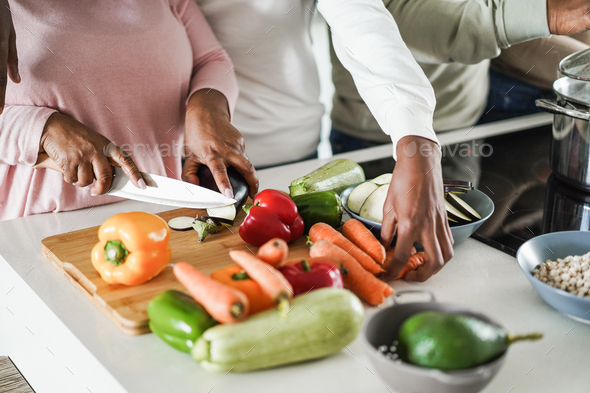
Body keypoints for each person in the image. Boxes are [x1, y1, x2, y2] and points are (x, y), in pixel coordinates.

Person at [0, 0, 258, 221]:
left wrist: (207, 109)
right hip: (34, 225)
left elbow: (211, 59)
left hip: (157, 210)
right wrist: (41, 131)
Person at [329, 0, 590, 185]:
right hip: (379, 139)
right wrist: (548, 14)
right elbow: (400, 24)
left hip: (465, 126)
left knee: (462, 246)